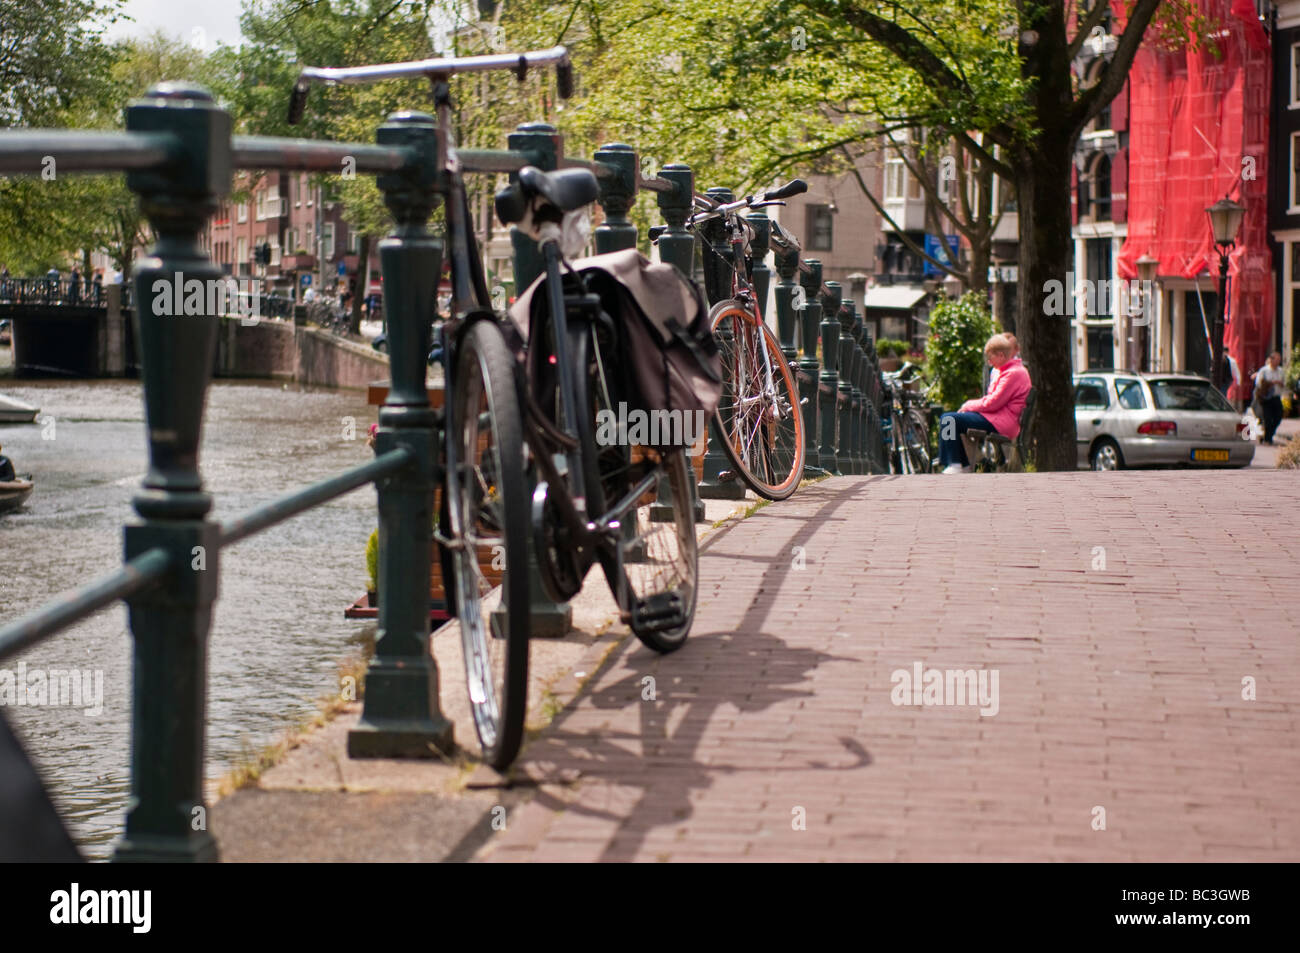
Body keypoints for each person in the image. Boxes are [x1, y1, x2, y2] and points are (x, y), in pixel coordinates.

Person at [937, 333, 1032, 474]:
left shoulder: (1012, 374)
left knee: (948, 419)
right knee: (953, 419)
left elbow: (994, 402)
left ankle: (955, 464)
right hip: (999, 419)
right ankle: (962, 465)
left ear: (1000, 355)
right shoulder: (1010, 371)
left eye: (990, 357)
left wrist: (968, 405)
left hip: (1001, 422)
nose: (989, 362)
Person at [1253, 350, 1286, 445]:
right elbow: (1258, 383)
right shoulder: (1264, 371)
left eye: (1279, 360)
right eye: (1276, 359)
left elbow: (1284, 383)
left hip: (1276, 397)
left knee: (1278, 417)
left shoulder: (1281, 371)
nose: (1278, 362)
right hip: (1266, 398)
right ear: (1271, 360)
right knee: (1267, 419)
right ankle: (1268, 439)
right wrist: (1270, 383)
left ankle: (1268, 435)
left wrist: (1281, 384)